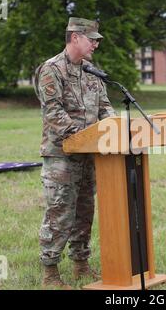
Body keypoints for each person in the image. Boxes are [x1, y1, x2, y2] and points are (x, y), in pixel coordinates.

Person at [34, 17, 116, 289]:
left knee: (84, 211)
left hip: (89, 155)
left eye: (97, 39)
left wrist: (113, 127)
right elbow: (54, 112)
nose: (96, 43)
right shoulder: (51, 70)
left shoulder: (92, 71)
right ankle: (50, 273)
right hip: (62, 156)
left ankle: (81, 265)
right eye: (91, 38)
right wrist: (83, 137)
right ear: (74, 37)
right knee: (60, 212)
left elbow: (105, 106)